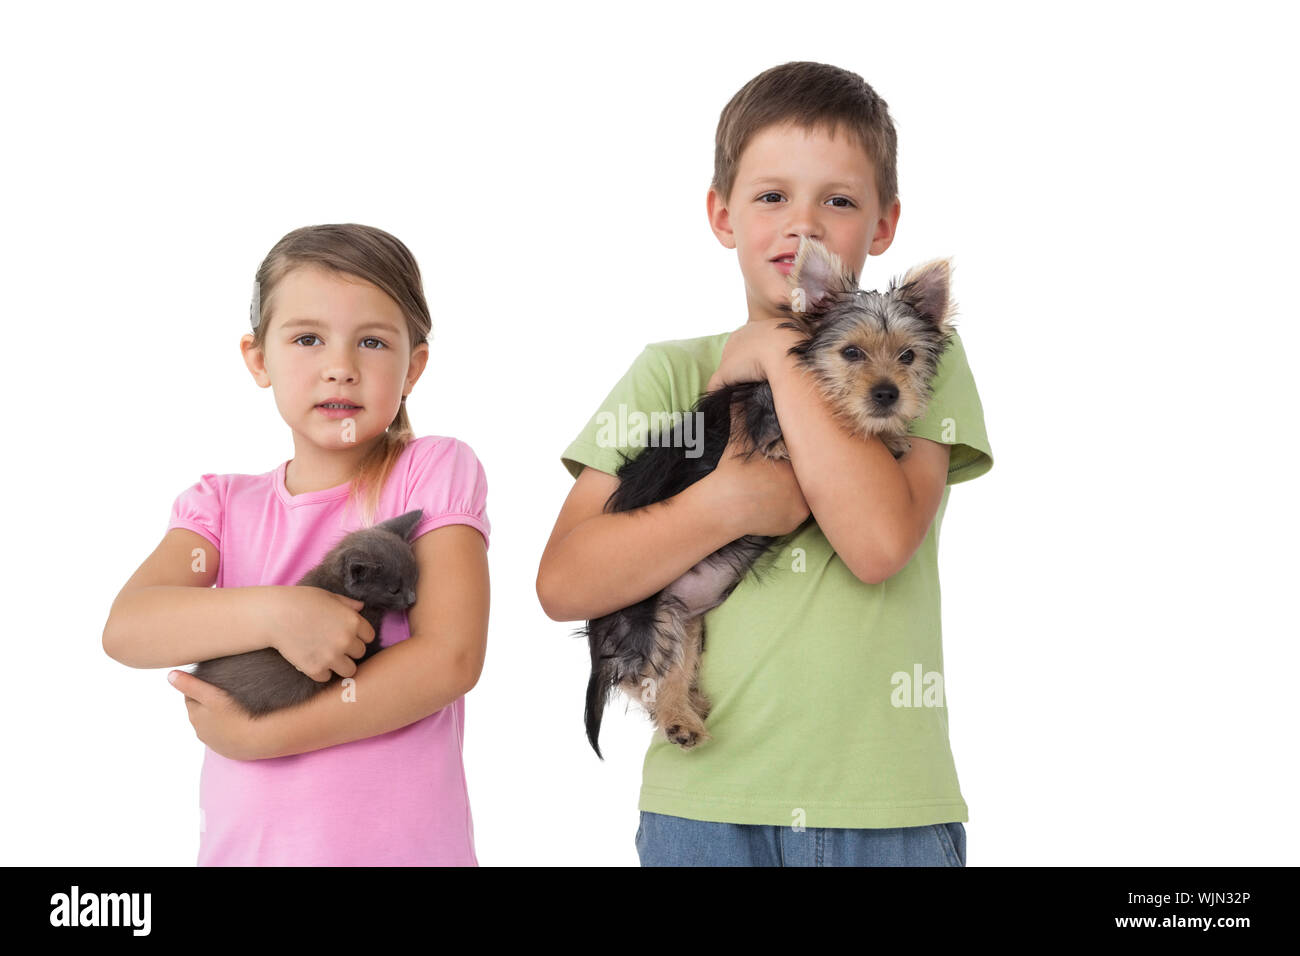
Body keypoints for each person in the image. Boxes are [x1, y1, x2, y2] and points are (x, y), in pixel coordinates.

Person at [537, 62, 994, 866]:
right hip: (704, 805)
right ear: (722, 213)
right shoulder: (671, 372)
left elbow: (879, 545)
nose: (805, 227)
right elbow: (565, 584)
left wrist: (783, 358)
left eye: (840, 201)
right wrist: (731, 504)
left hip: (888, 803)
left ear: (885, 225)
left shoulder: (920, 365)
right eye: (773, 196)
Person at [102, 223, 491, 866]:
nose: (341, 367)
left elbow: (449, 660)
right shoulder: (221, 506)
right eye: (307, 338)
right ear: (258, 359)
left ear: (413, 366)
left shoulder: (430, 474)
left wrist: (263, 736)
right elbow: (127, 629)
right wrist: (282, 612)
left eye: (372, 341)